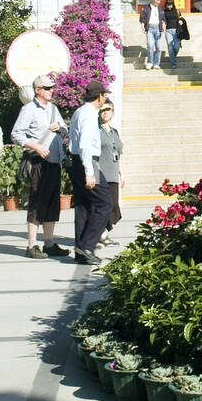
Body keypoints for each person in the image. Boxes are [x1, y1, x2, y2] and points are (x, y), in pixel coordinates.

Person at [11, 74, 70, 259]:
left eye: (52, 87)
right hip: (38, 162)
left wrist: (60, 128)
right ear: (38, 90)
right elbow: (16, 134)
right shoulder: (28, 109)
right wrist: (35, 145)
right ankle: (32, 245)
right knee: (37, 202)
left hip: (54, 162)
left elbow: (65, 129)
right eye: (47, 88)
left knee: (53, 203)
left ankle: (49, 243)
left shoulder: (53, 109)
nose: (51, 90)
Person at [67, 80, 114, 264]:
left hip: (77, 161)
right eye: (104, 95)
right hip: (86, 162)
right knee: (104, 203)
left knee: (83, 205)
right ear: (100, 96)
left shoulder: (80, 111)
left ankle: (81, 250)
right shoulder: (88, 114)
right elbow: (85, 144)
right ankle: (87, 245)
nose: (105, 98)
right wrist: (89, 172)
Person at [97, 99, 124, 232]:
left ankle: (104, 233)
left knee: (114, 206)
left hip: (113, 174)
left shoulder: (115, 132)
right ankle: (101, 234)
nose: (105, 113)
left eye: (108, 110)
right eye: (102, 110)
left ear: (112, 112)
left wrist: (121, 174)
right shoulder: (96, 130)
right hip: (101, 173)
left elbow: (118, 154)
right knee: (104, 205)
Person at [139, 0, 165, 69]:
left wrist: (163, 26)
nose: (159, 2)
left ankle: (157, 63)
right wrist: (142, 26)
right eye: (157, 0)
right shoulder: (146, 7)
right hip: (150, 28)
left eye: (160, 1)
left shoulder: (160, 9)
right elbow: (142, 17)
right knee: (150, 46)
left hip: (158, 28)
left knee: (159, 47)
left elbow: (163, 19)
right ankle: (150, 62)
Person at [164, 0, 182, 67]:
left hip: (177, 31)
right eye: (168, 5)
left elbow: (180, 18)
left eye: (171, 4)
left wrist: (181, 21)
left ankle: (173, 57)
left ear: (173, 4)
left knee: (177, 46)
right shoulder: (164, 12)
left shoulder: (177, 10)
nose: (169, 6)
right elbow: (163, 21)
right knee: (170, 46)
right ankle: (173, 63)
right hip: (168, 31)